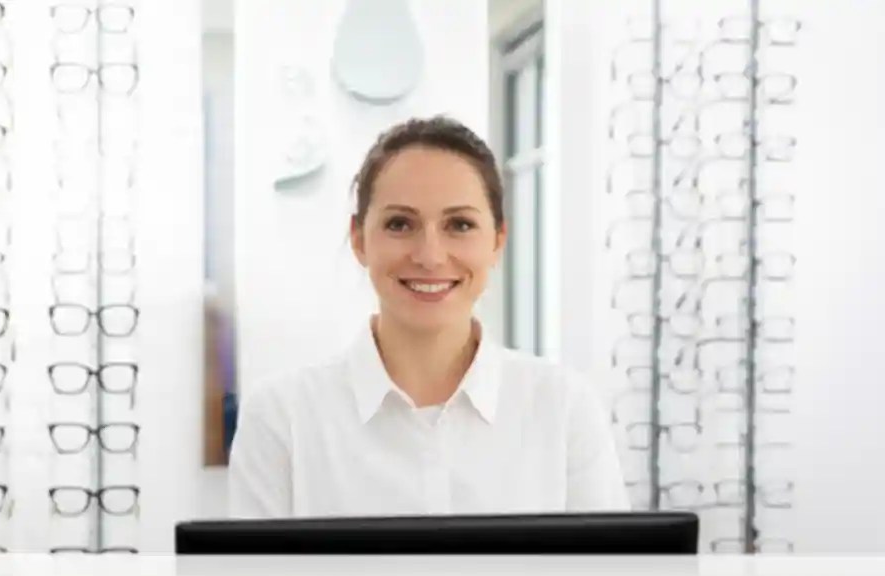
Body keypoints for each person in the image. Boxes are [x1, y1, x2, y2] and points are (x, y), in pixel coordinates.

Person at [228, 115, 630, 518]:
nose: (430, 256)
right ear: (359, 239)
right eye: (400, 224)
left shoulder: (564, 410)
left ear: (497, 241)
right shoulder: (282, 418)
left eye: (460, 224)